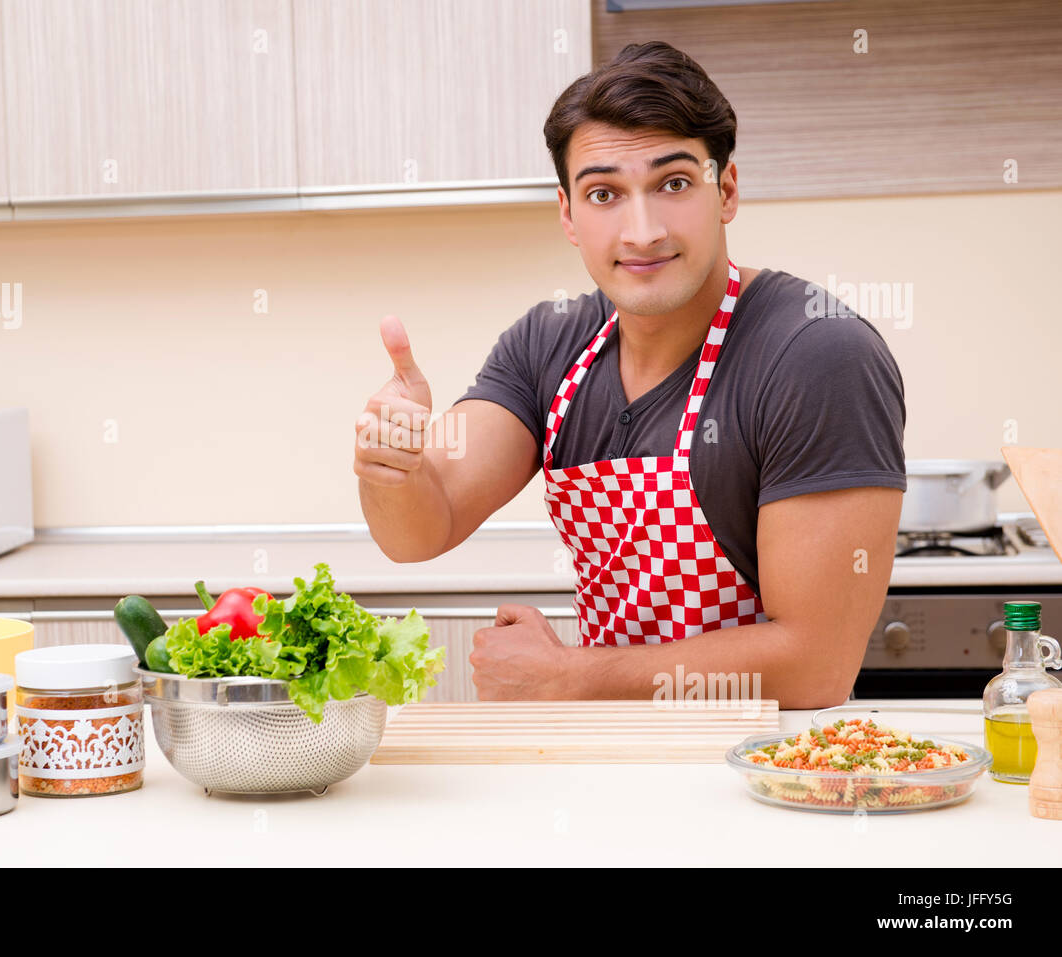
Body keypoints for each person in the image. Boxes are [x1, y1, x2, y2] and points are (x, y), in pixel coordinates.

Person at [353, 41, 905, 709]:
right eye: (604, 193)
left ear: (725, 189)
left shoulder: (818, 354)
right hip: (612, 761)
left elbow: (815, 666)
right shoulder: (548, 343)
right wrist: (392, 469)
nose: (641, 232)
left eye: (673, 184)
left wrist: (570, 678)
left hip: (768, 778)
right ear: (568, 214)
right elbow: (419, 529)